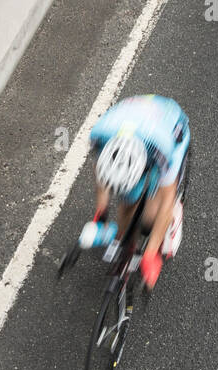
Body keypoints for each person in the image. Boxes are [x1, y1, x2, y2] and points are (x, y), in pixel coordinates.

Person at [79, 95, 190, 290]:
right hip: (129, 120)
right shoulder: (99, 135)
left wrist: (150, 253)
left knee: (151, 220)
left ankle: (176, 215)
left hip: (170, 127)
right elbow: (100, 173)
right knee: (129, 199)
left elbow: (166, 201)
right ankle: (124, 240)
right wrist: (101, 213)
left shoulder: (162, 149)